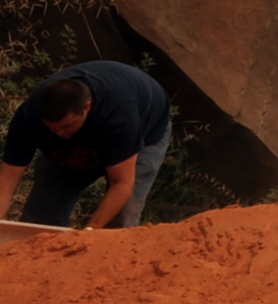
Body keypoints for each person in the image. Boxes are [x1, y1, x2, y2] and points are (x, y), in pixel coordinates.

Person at [0, 59, 172, 231]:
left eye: (66, 126)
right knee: (41, 214)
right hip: (89, 135)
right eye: (51, 128)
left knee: (120, 221)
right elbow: (7, 179)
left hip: (145, 130)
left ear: (87, 107)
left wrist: (89, 232)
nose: (60, 133)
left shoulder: (118, 117)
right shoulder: (28, 117)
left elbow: (122, 183)